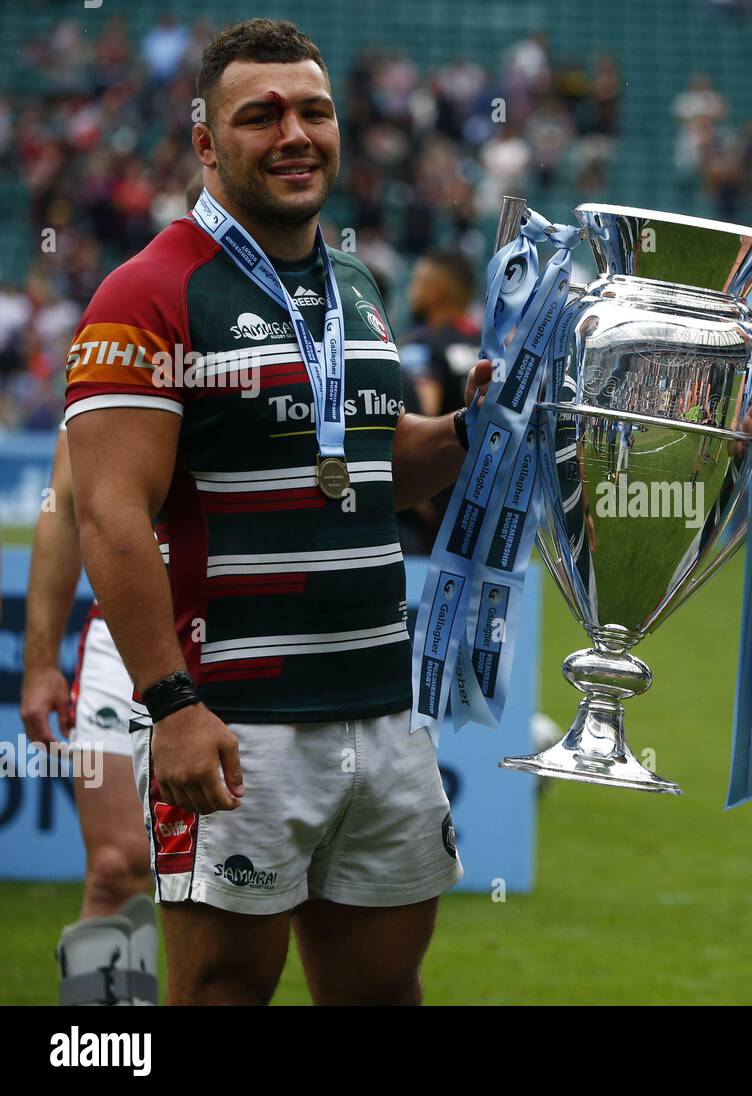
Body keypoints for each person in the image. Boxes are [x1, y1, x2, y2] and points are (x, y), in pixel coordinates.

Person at [63, 18, 491, 1006]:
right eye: (261, 116)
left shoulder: (356, 285)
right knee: (221, 992)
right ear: (209, 143)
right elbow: (112, 518)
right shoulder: (147, 293)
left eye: (314, 111)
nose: (295, 133)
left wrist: (480, 429)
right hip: (233, 721)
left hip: (382, 711)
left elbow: (382, 468)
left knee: (385, 993)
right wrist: (171, 705)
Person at [20, 428, 158, 1005]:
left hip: (244, 626)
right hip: (123, 632)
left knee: (262, 882)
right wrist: (40, 661)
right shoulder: (119, 343)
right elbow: (63, 504)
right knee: (114, 867)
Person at [396, 251, 480, 554]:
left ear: (435, 292)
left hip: (434, 506)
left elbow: (422, 415)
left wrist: (420, 500)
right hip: (480, 504)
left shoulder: (421, 344)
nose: (410, 291)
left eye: (417, 282)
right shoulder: (486, 345)